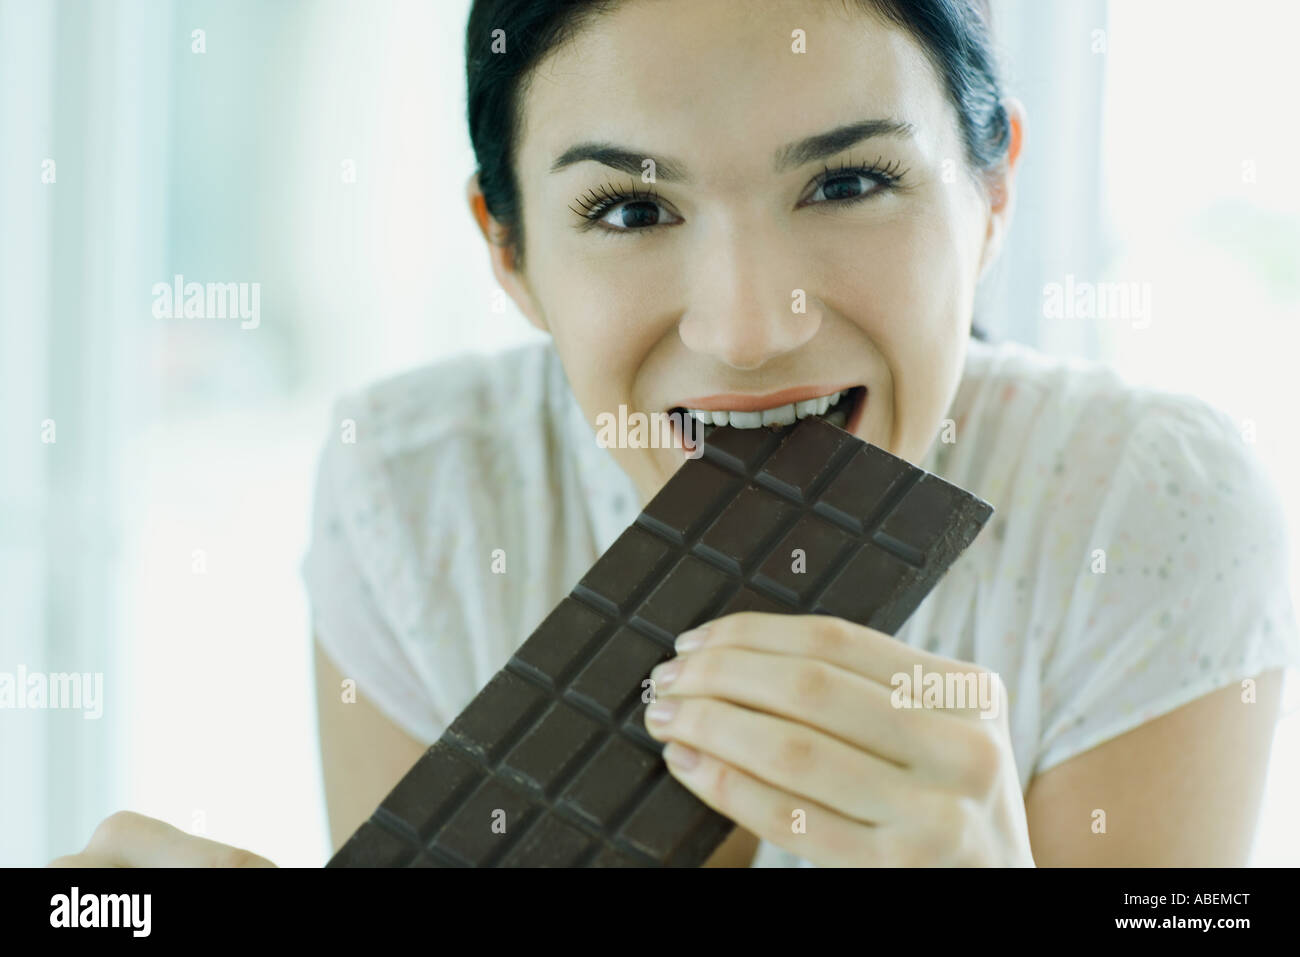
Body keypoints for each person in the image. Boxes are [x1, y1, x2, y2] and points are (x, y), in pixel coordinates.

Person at [54, 0, 1300, 868]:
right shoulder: (421, 495)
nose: (751, 328)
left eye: (850, 181)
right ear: (509, 252)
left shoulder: (1151, 510)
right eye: (631, 207)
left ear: (992, 193)